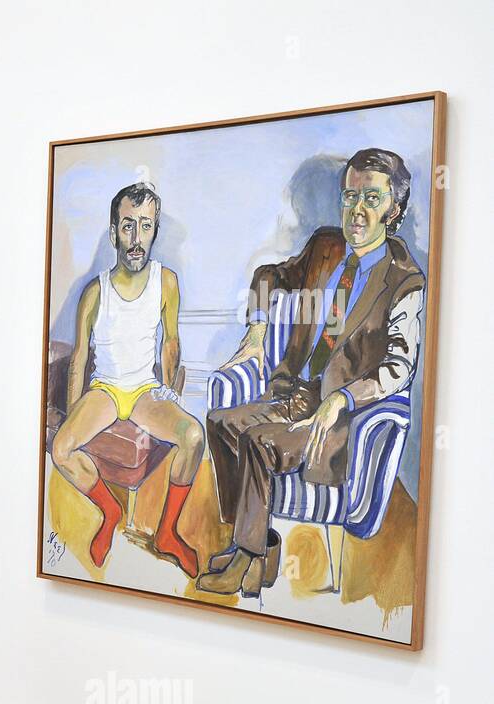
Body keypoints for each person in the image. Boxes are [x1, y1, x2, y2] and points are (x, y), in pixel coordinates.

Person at [201, 148, 425, 596]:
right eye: (349, 196)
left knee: (260, 444)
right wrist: (259, 329)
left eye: (372, 199)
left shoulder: (405, 280)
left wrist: (342, 399)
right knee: (221, 423)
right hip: (293, 391)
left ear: (393, 210)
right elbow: (269, 274)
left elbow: (399, 367)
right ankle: (260, 545)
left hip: (337, 415)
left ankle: (244, 559)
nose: (357, 211)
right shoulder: (327, 247)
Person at [50, 183, 204, 576]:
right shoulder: (94, 292)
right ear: (113, 230)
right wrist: (71, 414)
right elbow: (81, 359)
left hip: (143, 391)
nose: (136, 238)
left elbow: (171, 343)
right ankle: (109, 508)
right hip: (104, 388)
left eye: (146, 226)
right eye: (128, 226)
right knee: (62, 449)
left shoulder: (165, 280)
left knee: (193, 436)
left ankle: (167, 533)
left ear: (155, 231)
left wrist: (171, 395)